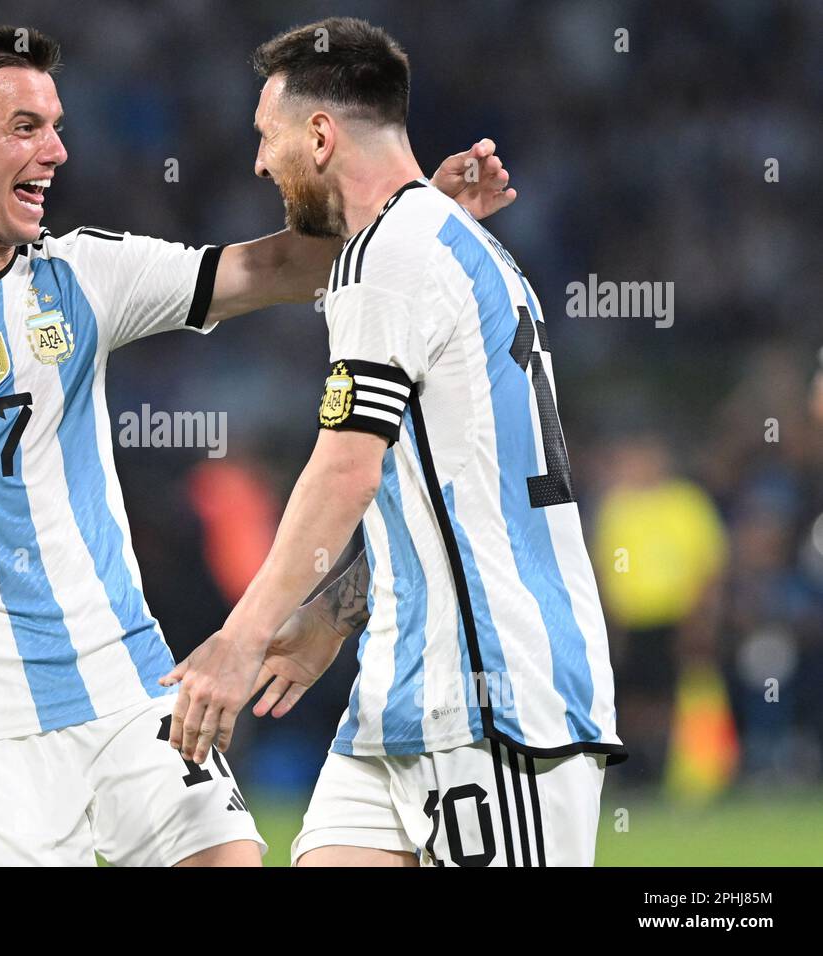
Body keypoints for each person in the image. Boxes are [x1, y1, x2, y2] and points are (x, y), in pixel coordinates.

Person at [0, 19, 514, 867]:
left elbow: (267, 269)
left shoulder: (81, 273)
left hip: (126, 686)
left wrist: (414, 216)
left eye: (55, 125)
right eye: (25, 128)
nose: (56, 150)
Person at [165, 17, 624, 867]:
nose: (260, 163)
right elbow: (445, 492)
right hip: (401, 693)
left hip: (495, 697)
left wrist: (239, 638)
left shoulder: (394, 256)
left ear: (320, 133)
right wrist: (331, 617)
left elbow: (346, 470)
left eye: (267, 137)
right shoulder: (448, 244)